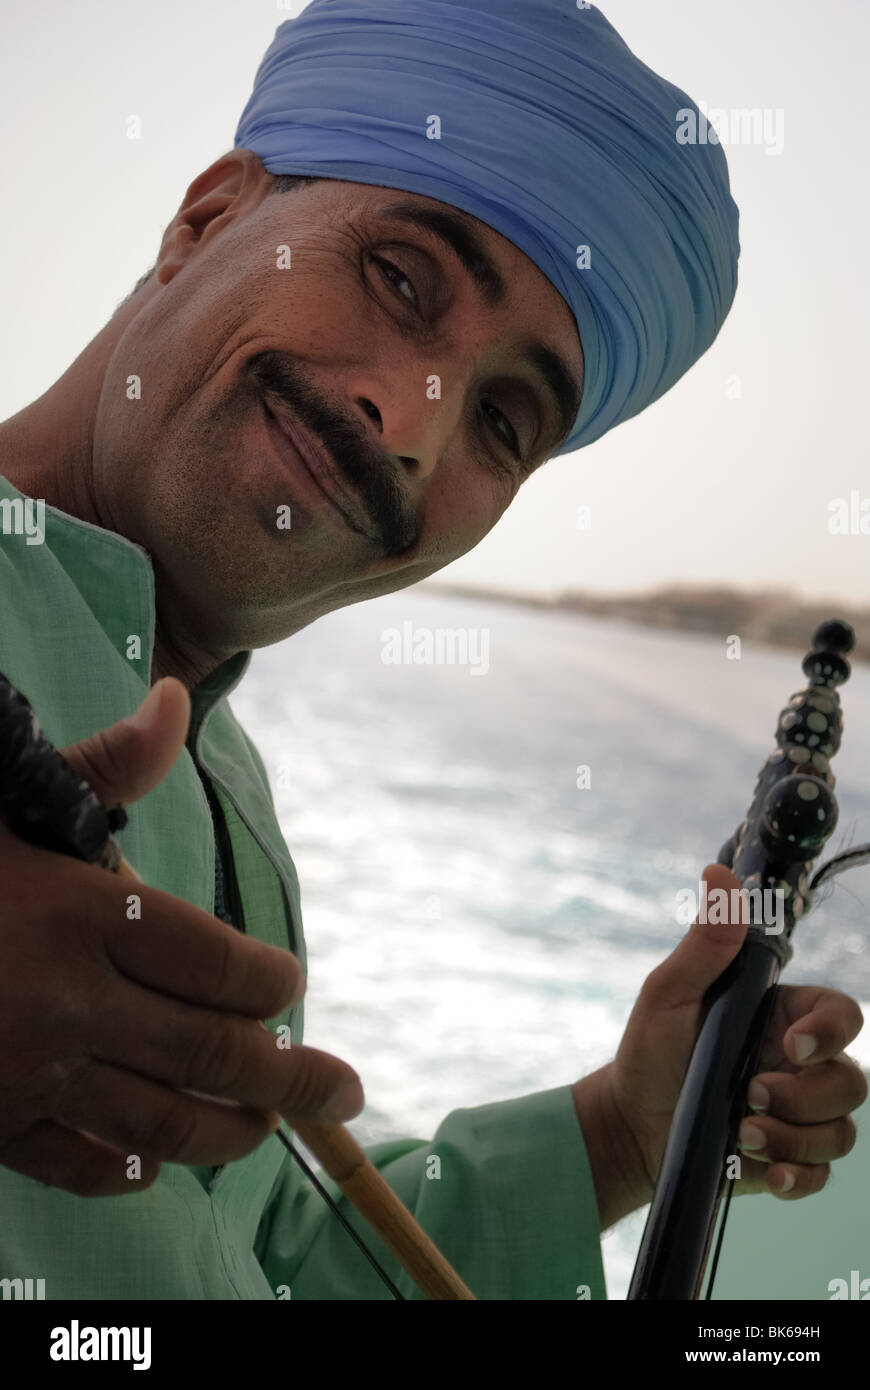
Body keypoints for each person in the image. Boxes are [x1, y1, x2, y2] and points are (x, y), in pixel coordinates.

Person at [0, 0, 864, 1300]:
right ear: (206, 219)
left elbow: (247, 1261)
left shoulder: (230, 795)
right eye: (400, 277)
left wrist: (624, 1128)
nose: (406, 421)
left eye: (504, 418)